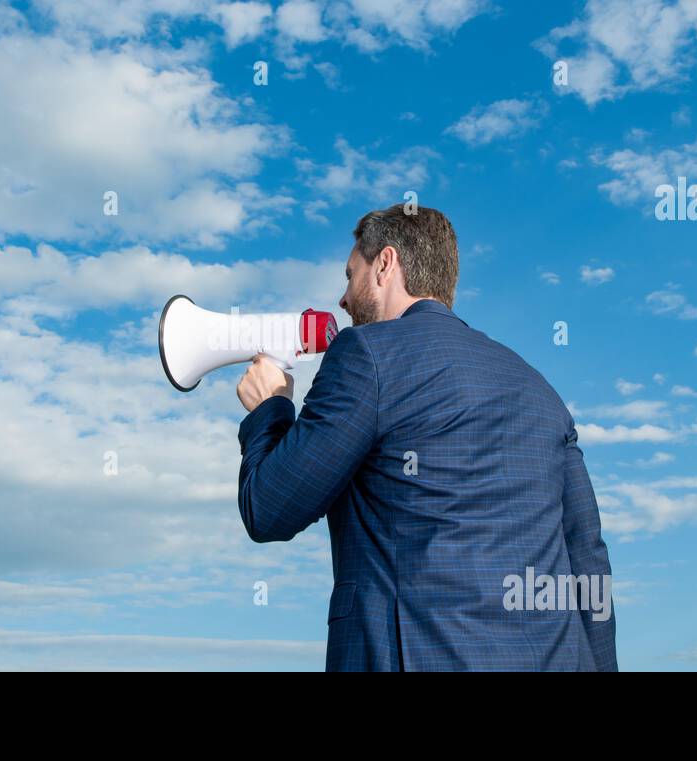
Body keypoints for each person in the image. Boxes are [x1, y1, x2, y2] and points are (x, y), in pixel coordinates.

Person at [235, 203, 617, 671]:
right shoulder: (540, 390)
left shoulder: (364, 354)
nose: (343, 298)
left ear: (385, 264)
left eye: (350, 275)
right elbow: (588, 562)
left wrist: (271, 408)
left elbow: (270, 509)